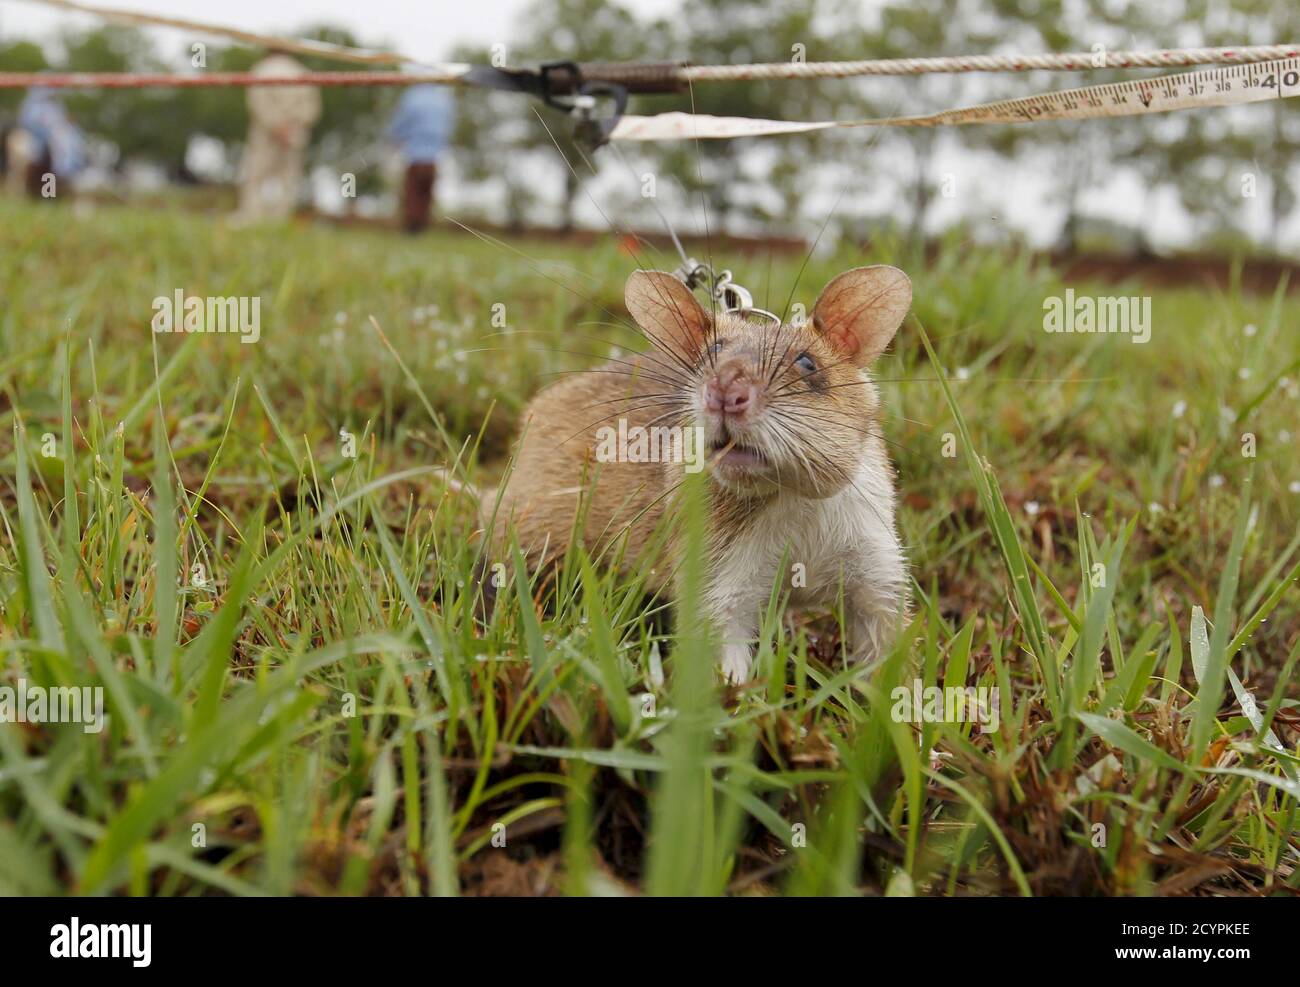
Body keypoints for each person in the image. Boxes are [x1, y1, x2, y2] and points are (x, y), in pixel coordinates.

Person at [235, 54, 321, 222]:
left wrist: (276, 124)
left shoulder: (262, 69)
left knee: (257, 176)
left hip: (267, 133)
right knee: (288, 178)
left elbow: (257, 102)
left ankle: (252, 217)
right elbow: (312, 108)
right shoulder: (302, 72)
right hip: (292, 131)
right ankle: (280, 219)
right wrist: (291, 125)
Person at [387, 84, 454, 233]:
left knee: (412, 194)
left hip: (415, 157)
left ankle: (412, 229)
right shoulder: (444, 100)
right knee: (425, 196)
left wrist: (393, 138)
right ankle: (421, 228)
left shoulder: (412, 97)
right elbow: (449, 127)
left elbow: (401, 123)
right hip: (433, 159)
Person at [15, 88, 85, 199]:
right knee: (52, 153)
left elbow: (63, 123)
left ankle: (56, 186)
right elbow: (28, 123)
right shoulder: (33, 106)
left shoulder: (57, 106)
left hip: (58, 142)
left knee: (62, 150)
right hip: (43, 140)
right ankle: (47, 192)